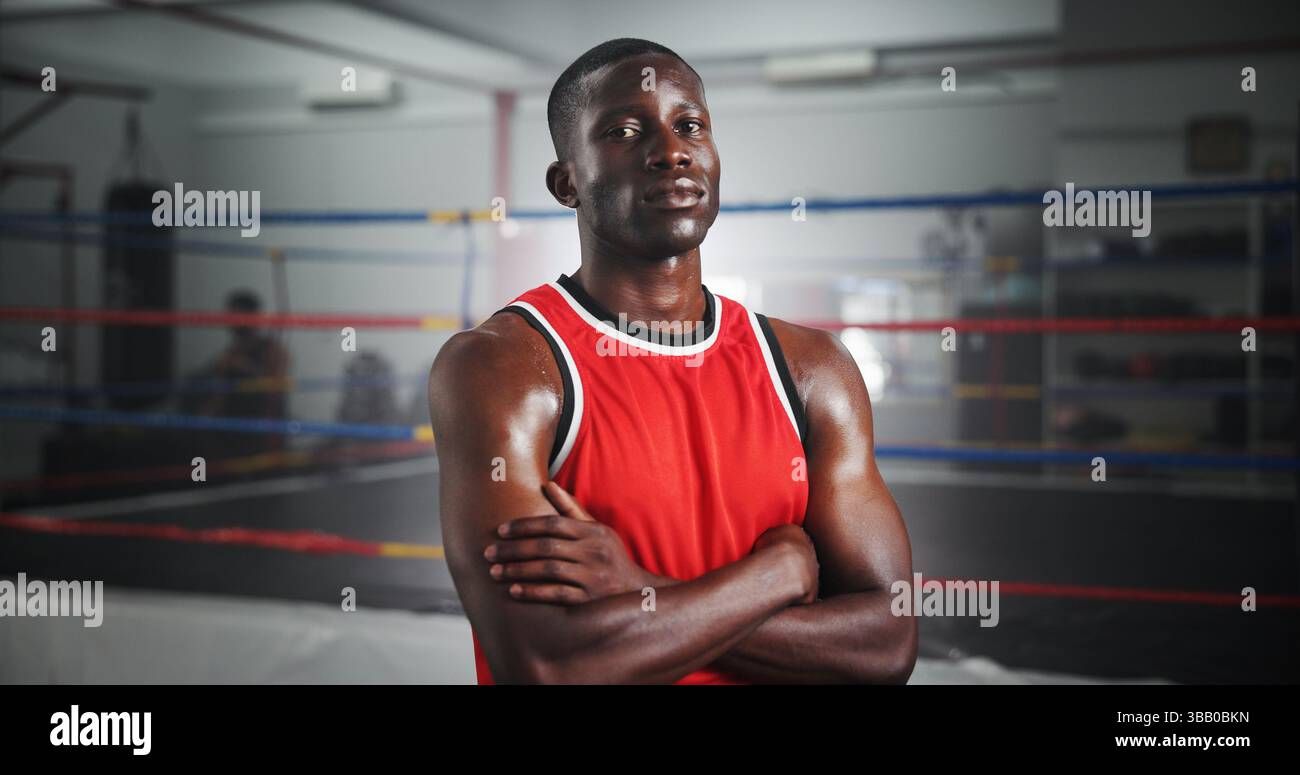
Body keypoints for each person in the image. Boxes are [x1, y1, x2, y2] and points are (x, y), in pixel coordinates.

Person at [428, 38, 915, 683]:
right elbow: (550, 663)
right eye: (625, 132)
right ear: (566, 182)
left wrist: (641, 589)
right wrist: (778, 573)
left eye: (690, 126)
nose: (671, 150)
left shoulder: (812, 370)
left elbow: (885, 646)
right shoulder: (506, 370)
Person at [195, 289, 290, 456]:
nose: (232, 321)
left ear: (252, 317)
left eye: (237, 315)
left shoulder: (272, 349)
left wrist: (245, 367)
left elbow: (277, 389)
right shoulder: (228, 355)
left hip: (259, 431)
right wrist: (204, 417)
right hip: (230, 431)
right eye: (230, 315)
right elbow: (219, 395)